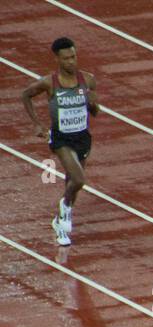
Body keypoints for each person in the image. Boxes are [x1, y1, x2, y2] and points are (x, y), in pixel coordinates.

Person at [21, 37, 99, 246]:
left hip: (82, 137)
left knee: (72, 184)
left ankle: (60, 223)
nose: (71, 62)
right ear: (57, 59)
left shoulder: (88, 80)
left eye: (73, 57)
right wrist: (37, 125)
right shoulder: (50, 83)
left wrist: (93, 106)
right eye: (66, 59)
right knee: (79, 179)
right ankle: (65, 212)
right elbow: (26, 95)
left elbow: (96, 112)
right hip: (62, 139)